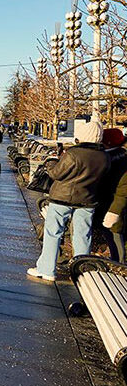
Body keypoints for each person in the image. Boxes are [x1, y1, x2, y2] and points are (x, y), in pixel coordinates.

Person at [28, 120, 108, 282]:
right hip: (87, 200)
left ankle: (47, 269)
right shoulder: (104, 157)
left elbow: (57, 173)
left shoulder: (74, 153)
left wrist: (51, 162)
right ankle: (80, 271)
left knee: (53, 232)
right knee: (82, 235)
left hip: (63, 198)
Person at [95, 129, 127, 262]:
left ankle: (119, 264)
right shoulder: (113, 157)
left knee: (115, 236)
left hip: (113, 207)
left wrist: (114, 212)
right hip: (107, 204)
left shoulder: (117, 161)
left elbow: (123, 191)